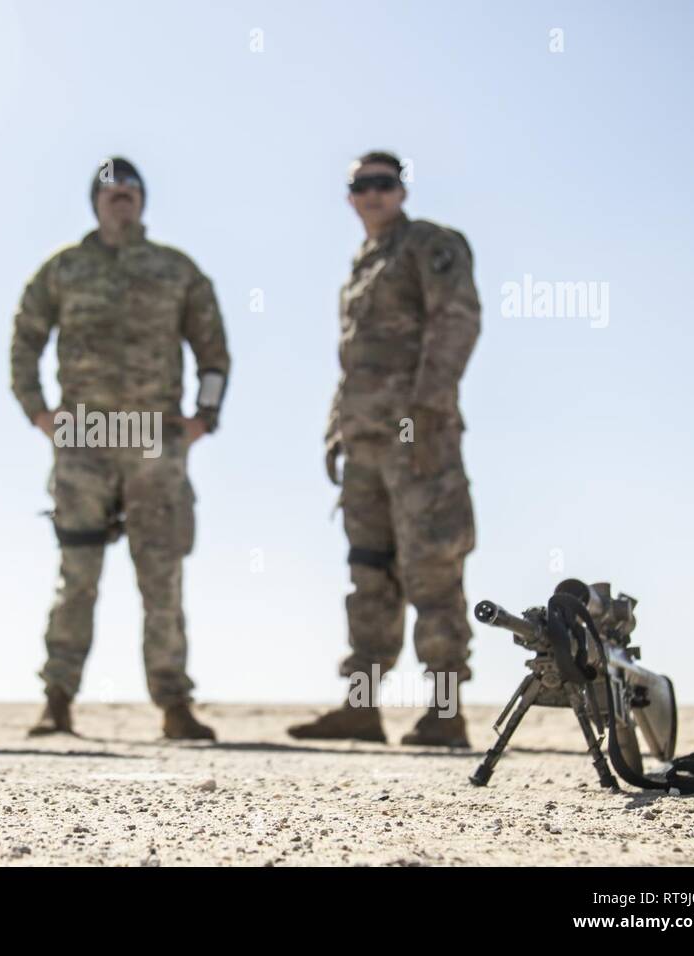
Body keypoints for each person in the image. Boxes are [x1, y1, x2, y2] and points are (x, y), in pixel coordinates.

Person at [11, 157, 230, 740]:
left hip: (155, 443)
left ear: (143, 200)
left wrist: (203, 417)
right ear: (95, 201)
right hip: (83, 442)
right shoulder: (63, 270)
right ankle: (56, 700)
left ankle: (174, 706)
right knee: (77, 572)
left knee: (161, 573)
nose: (121, 198)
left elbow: (213, 351)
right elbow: (25, 339)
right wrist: (39, 411)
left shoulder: (176, 271)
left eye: (130, 190)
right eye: (110, 190)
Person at [289, 150, 480, 747]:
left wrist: (427, 410)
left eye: (384, 183)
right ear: (349, 197)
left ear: (401, 190)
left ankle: (445, 713)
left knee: (431, 566)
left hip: (415, 436)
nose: (373, 194)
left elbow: (458, 321)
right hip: (365, 444)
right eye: (361, 185)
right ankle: (362, 706)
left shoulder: (430, 243)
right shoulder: (363, 265)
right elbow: (351, 364)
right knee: (369, 573)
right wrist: (335, 431)